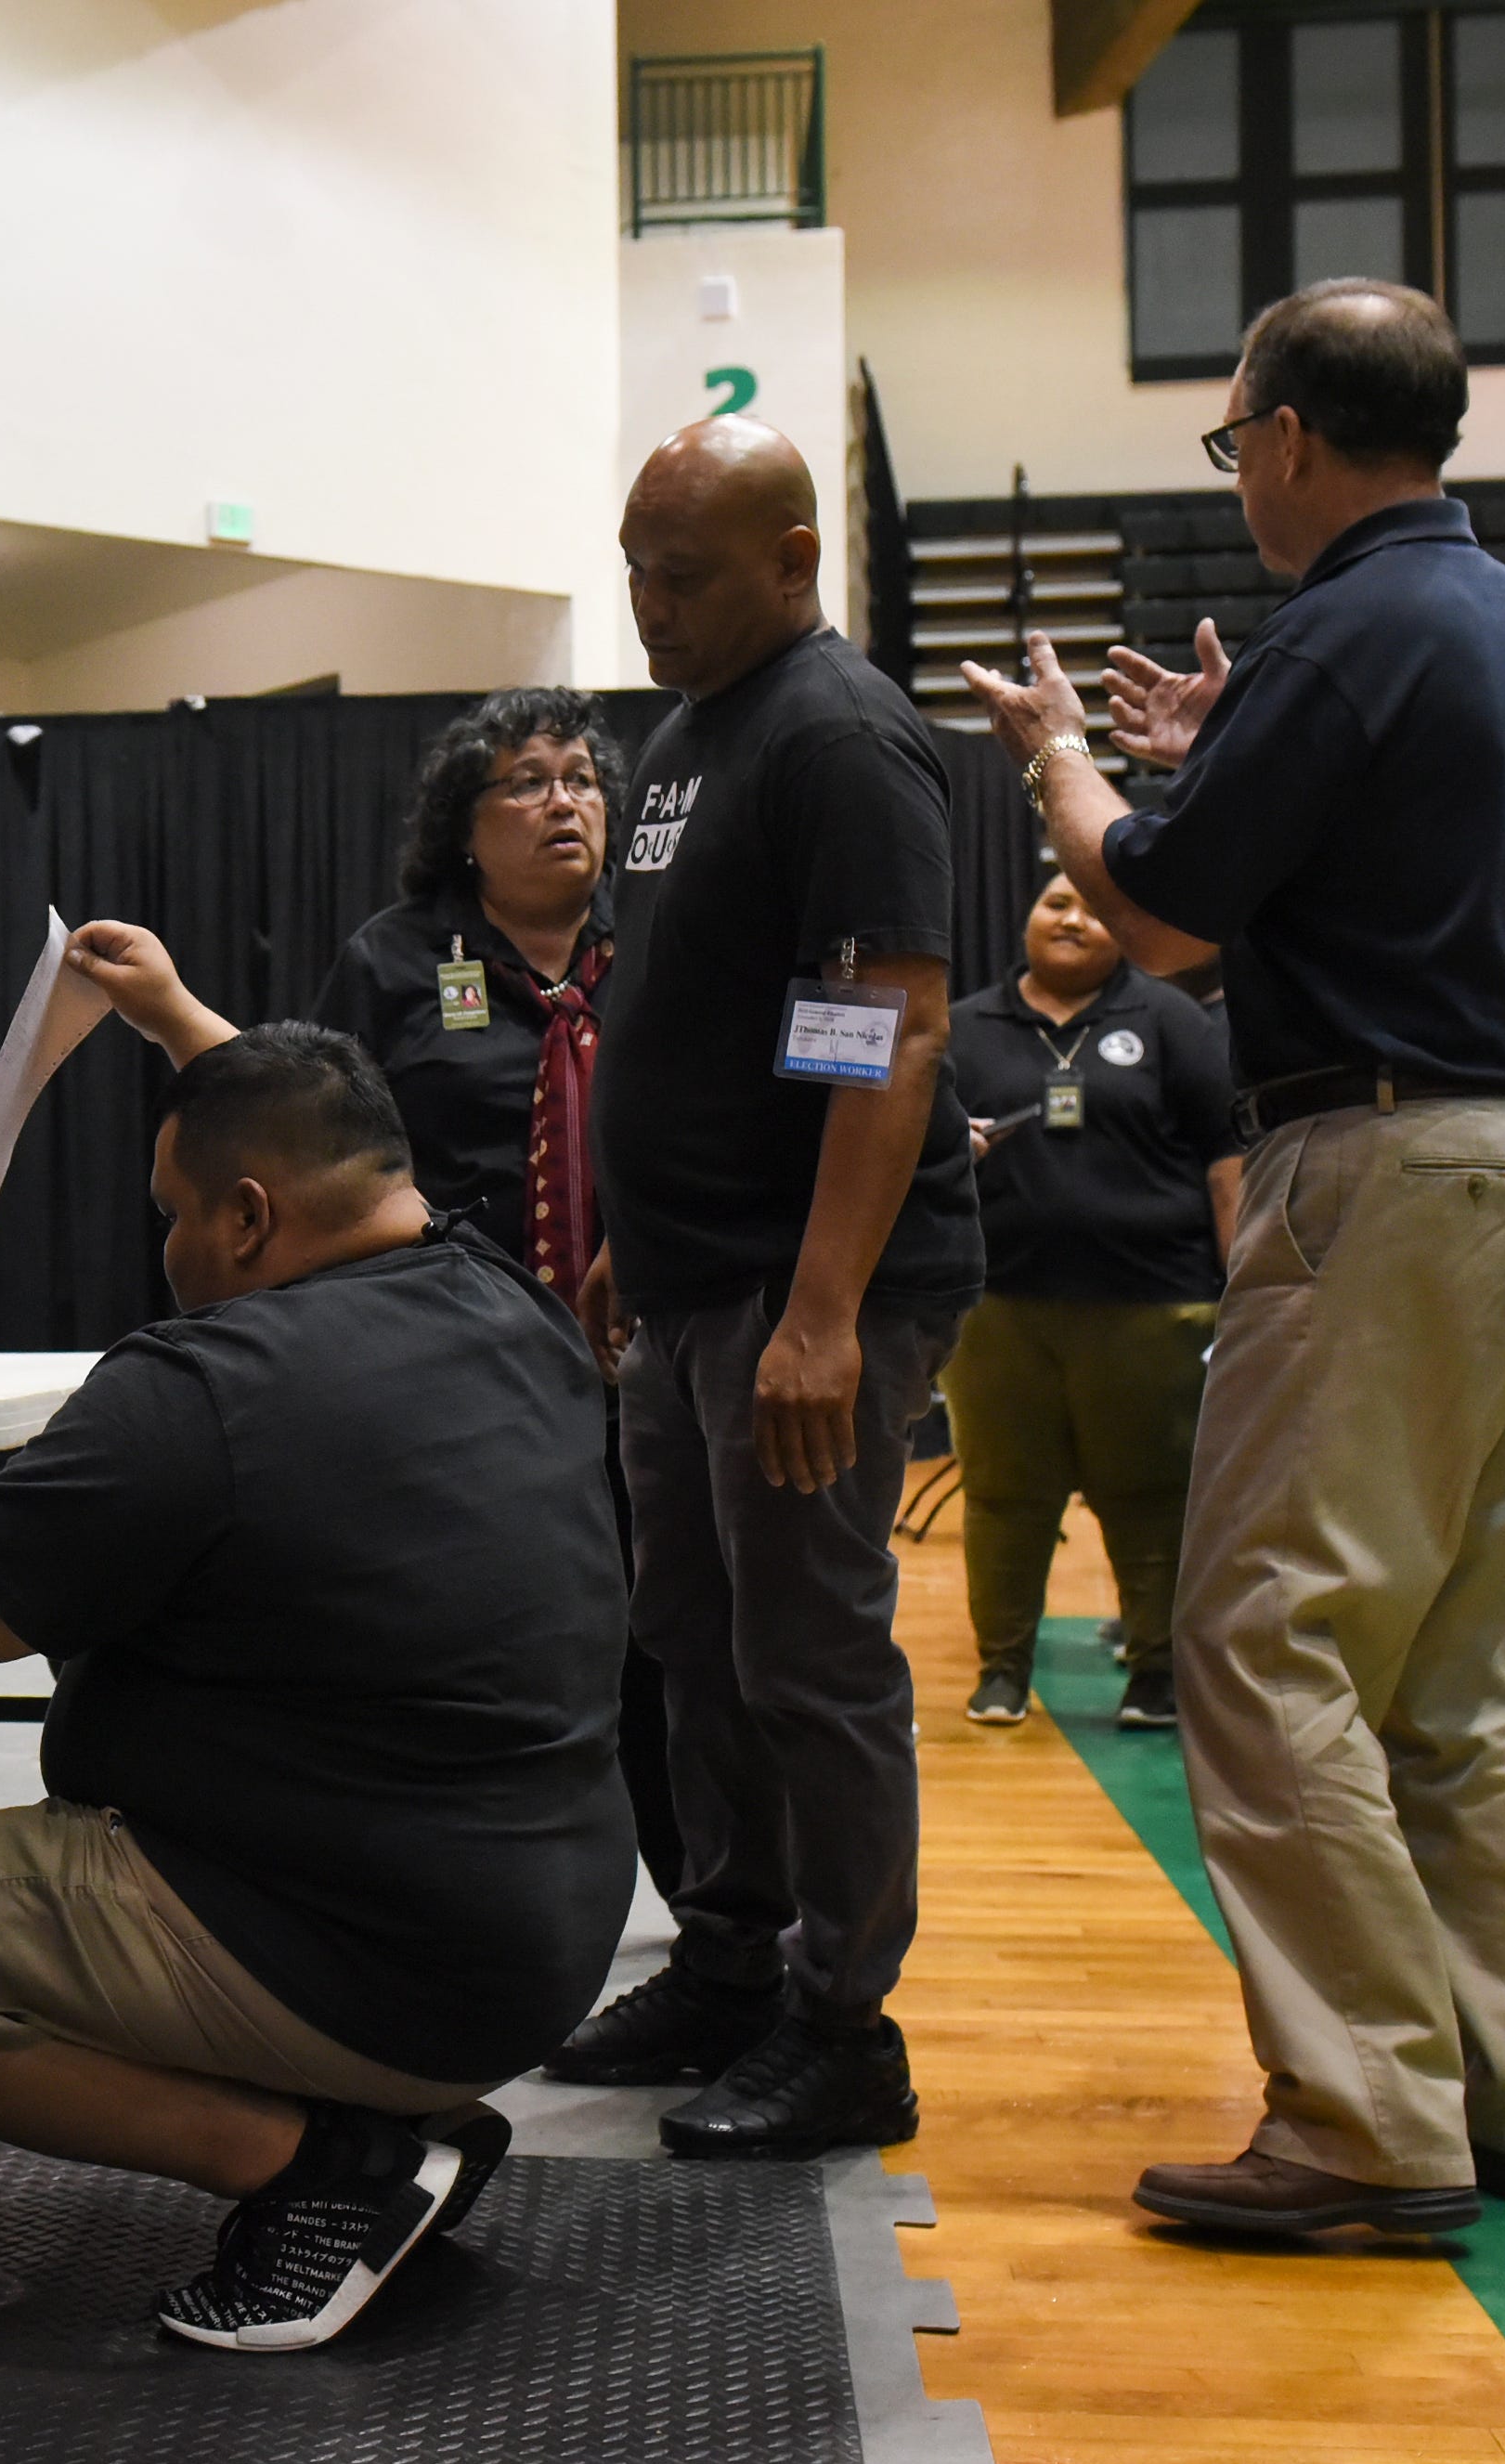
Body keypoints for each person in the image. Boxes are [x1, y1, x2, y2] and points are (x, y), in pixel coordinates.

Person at [0, 988, 631, 2354]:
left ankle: (324, 2171)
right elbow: (300, 1131)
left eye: (175, 1213)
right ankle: (382, 2117)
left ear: (249, 1216)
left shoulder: (207, 1383)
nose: (172, 1247)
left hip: (382, 1955)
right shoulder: (510, 1304)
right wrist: (180, 1027)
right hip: (544, 1932)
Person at [963, 279, 1505, 2238]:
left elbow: (1153, 909)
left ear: (1291, 435)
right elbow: (1399, 852)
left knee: (1262, 1637)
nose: (1236, 470)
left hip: (1387, 1162)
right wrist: (1238, 737)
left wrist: (1072, 756)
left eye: (1234, 437)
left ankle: (1360, 2121)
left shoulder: (1346, 630)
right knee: (1475, 1669)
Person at [544, 414, 983, 2166]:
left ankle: (841, 2023)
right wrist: (629, 1238)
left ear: (793, 560)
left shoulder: (837, 736)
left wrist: (820, 1311)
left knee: (807, 1657)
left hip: (813, 1301)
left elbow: (879, 1029)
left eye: (684, 574)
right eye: (635, 569)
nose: (647, 606)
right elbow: (716, 1012)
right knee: (692, 1646)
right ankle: (726, 1963)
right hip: (695, 1284)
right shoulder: (688, 735)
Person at [310, 687, 680, 1896]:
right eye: (525, 779)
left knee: (656, 1648)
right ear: (463, 822)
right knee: (474, 1641)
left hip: (654, 1367)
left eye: (579, 776)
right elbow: (333, 1164)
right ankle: (467, 1896)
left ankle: (695, 1921)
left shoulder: (665, 942)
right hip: (459, 1374)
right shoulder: (393, 959)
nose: (562, 799)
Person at [943, 871, 1240, 1732]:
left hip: (1153, 1310)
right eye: (1053, 902)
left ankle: (1156, 1676)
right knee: (1003, 1499)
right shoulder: (964, 1027)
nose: (1071, 918)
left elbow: (1228, 1164)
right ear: (1027, 917)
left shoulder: (1173, 1022)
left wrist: (1244, 1292)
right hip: (1000, 1309)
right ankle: (1002, 1671)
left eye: (1091, 907)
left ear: (1124, 930)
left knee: (1153, 1499)